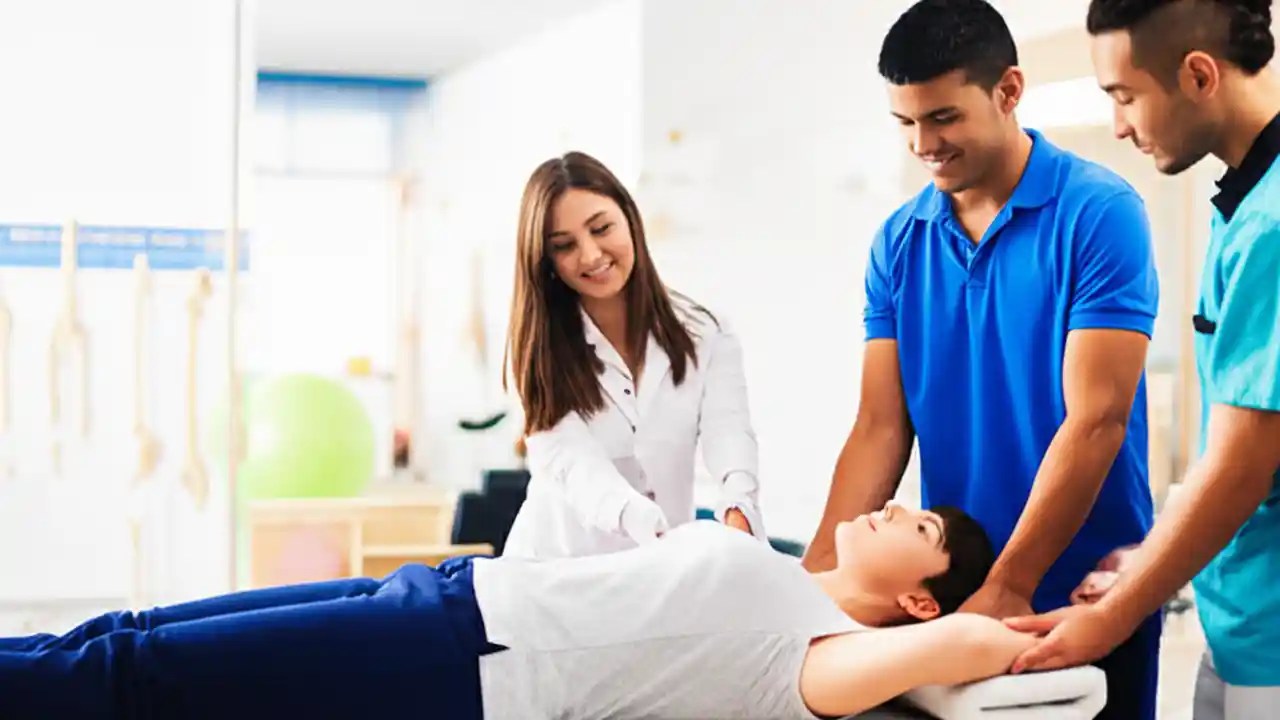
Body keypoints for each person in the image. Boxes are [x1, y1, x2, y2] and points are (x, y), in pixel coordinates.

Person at [799, 1, 1162, 717]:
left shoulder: (1098, 213)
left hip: (1086, 592)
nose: (922, 144)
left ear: (1008, 91)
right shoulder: (898, 243)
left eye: (943, 118)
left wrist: (1011, 583)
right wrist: (811, 581)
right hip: (950, 601)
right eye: (905, 123)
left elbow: (1096, 421)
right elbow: (879, 426)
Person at [0, 502, 1030, 719]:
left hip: (462, 662)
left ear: (915, 594)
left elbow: (973, 638)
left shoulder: (826, 656)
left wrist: (1056, 618)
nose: (894, 503)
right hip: (449, 593)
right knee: (123, 636)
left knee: (128, 682)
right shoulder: (776, 566)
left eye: (921, 525)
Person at [1006, 2, 1280, 718]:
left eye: (1124, 97)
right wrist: (1153, 559)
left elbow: (1245, 464)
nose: (1121, 126)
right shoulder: (1245, 204)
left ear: (1196, 75)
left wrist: (1117, 613)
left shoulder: (1275, 223)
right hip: (1242, 622)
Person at [501, 151, 765, 559]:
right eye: (564, 245)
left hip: (660, 573)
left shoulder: (704, 331)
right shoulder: (539, 348)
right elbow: (573, 464)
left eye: (601, 228)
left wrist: (738, 505)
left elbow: (728, 431)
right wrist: (642, 522)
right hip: (558, 572)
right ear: (546, 260)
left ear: (629, 217)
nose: (591, 255)